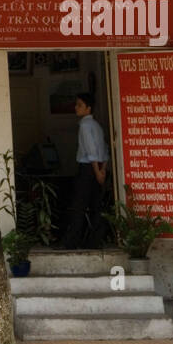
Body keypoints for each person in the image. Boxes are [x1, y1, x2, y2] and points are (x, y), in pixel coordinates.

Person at [63, 92, 109, 249]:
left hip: (88, 169)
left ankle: (72, 241)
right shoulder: (96, 125)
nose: (76, 108)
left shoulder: (84, 125)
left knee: (79, 206)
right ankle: (95, 241)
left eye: (80, 105)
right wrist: (103, 171)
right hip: (99, 168)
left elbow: (91, 151)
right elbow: (104, 149)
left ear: (88, 108)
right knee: (96, 205)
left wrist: (96, 172)